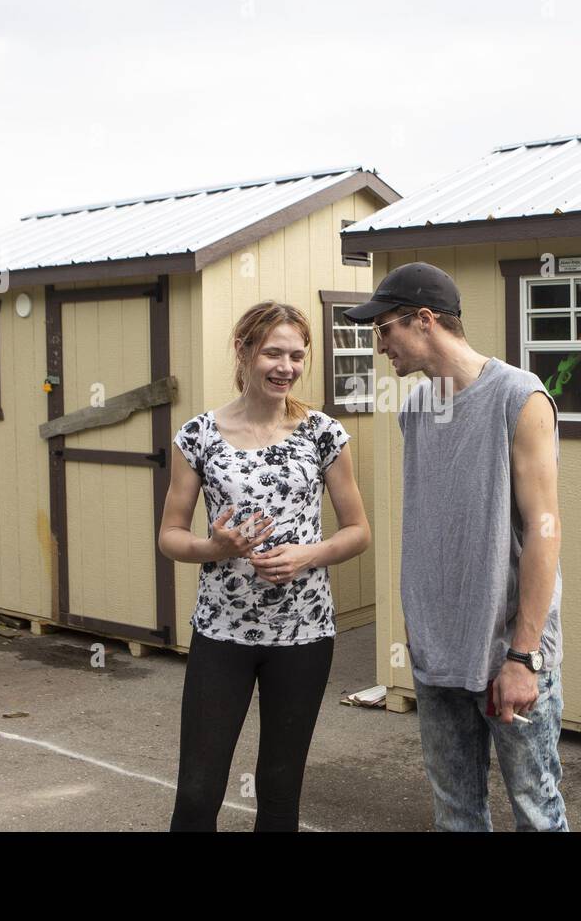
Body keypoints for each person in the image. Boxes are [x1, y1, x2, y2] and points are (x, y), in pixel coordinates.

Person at [343, 262, 567, 831]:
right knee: (455, 813)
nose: (380, 346)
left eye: (384, 329)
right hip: (437, 649)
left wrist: (524, 656)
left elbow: (545, 530)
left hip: (505, 649)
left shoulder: (519, 396)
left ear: (424, 320)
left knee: (536, 811)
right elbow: (434, 522)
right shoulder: (416, 408)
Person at [158, 300, 370, 831]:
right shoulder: (198, 436)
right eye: (273, 352)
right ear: (244, 350)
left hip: (303, 635)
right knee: (198, 791)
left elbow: (358, 531)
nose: (287, 367)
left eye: (297, 356)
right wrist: (215, 548)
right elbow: (170, 537)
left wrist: (309, 554)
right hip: (222, 631)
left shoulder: (323, 433)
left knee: (279, 792)